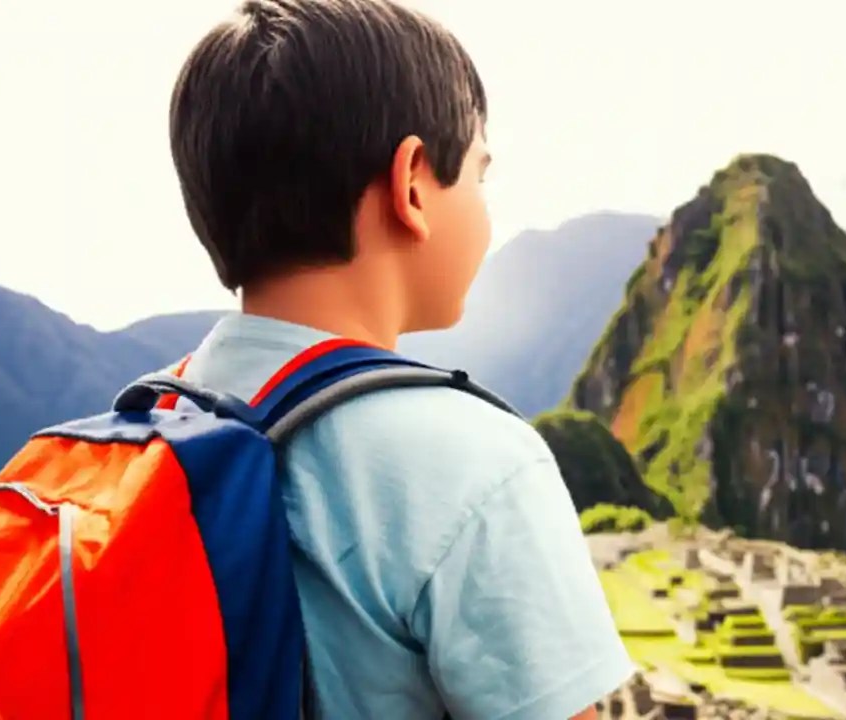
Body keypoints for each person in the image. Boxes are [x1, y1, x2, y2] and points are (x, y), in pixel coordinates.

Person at [166, 1, 635, 718]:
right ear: (412, 184)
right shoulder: (478, 465)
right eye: (479, 173)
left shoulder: (163, 420)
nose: (485, 206)